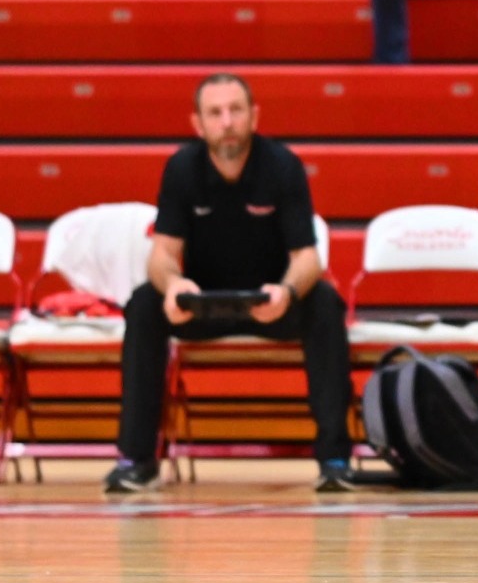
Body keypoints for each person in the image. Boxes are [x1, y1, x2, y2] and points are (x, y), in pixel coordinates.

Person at [105, 75, 356, 494]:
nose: (227, 122)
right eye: (215, 113)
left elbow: (308, 258)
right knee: (144, 304)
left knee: (326, 303)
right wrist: (172, 286)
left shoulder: (282, 165)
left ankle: (334, 460)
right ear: (197, 124)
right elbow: (162, 254)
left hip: (270, 302)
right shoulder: (182, 168)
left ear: (254, 116)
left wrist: (288, 292)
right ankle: (137, 459)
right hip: (203, 304)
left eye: (236, 110)